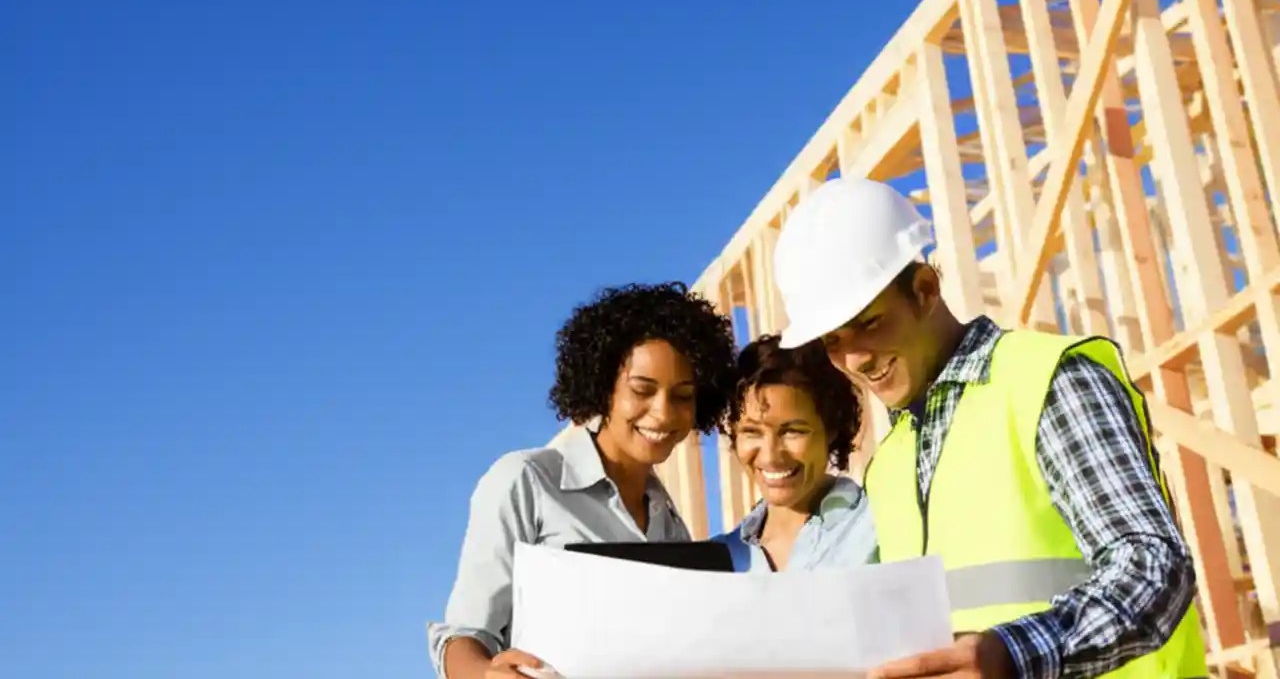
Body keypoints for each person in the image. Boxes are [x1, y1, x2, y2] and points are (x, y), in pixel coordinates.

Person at [770, 177, 1207, 678]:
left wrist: (1016, 654)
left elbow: (1153, 566)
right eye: (834, 340)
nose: (856, 359)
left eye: (870, 323)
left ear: (925, 291)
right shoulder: (888, 468)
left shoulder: (1047, 381)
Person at [426, 281, 738, 679]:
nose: (662, 413)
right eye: (642, 390)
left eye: (682, 396)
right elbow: (464, 635)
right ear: (602, 387)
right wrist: (484, 674)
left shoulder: (671, 524)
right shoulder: (527, 482)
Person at [712, 334, 877, 572]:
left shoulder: (876, 526)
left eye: (792, 431)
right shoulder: (720, 562)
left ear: (830, 427)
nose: (771, 456)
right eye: (752, 432)